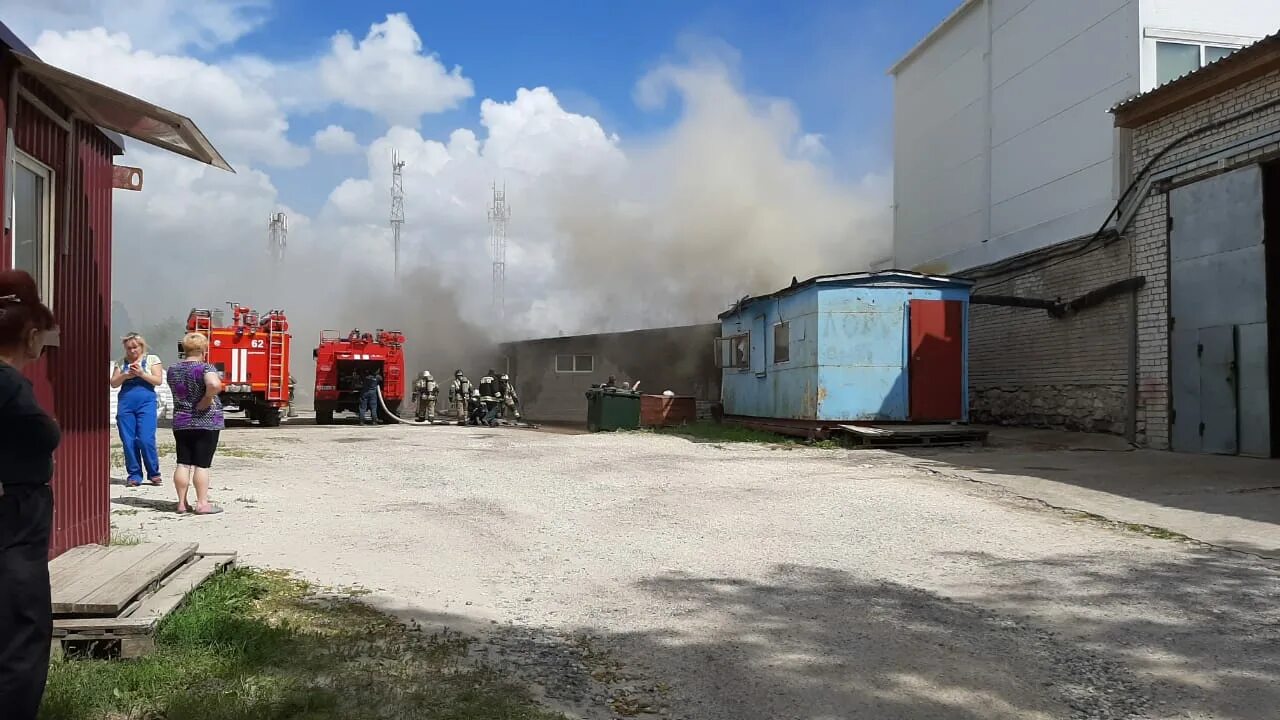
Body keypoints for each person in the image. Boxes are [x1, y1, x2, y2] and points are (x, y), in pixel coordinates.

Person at [0, 270, 60, 719]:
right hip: (14, 514)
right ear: (30, 333)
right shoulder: (8, 384)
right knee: (22, 627)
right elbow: (40, 434)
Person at [166, 333, 224, 515]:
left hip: (182, 420)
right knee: (202, 465)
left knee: (182, 463)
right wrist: (207, 398)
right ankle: (202, 503)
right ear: (204, 349)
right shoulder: (205, 367)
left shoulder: (173, 369)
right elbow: (214, 384)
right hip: (205, 421)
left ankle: (182, 503)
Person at [110, 333, 164, 487]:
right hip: (126, 404)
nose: (132, 351)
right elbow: (113, 383)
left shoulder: (152, 360)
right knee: (128, 440)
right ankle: (134, 474)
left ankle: (153, 473)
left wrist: (141, 373)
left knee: (146, 438)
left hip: (146, 402)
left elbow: (158, 380)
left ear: (142, 346)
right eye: (128, 348)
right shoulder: (121, 363)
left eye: (135, 347)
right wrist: (125, 375)